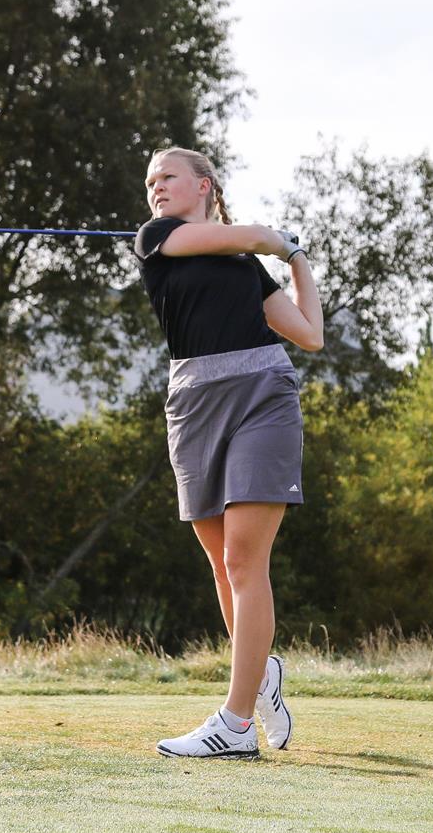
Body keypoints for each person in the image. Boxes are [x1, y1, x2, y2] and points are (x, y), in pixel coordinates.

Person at [133, 146, 324, 759]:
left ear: (203, 184)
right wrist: (272, 236)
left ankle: (236, 725)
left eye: (168, 177)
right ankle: (261, 673)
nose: (156, 187)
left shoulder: (246, 267)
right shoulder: (156, 238)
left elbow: (310, 334)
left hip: (263, 397)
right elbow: (239, 236)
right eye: (151, 181)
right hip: (193, 406)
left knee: (245, 563)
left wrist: (295, 258)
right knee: (220, 565)